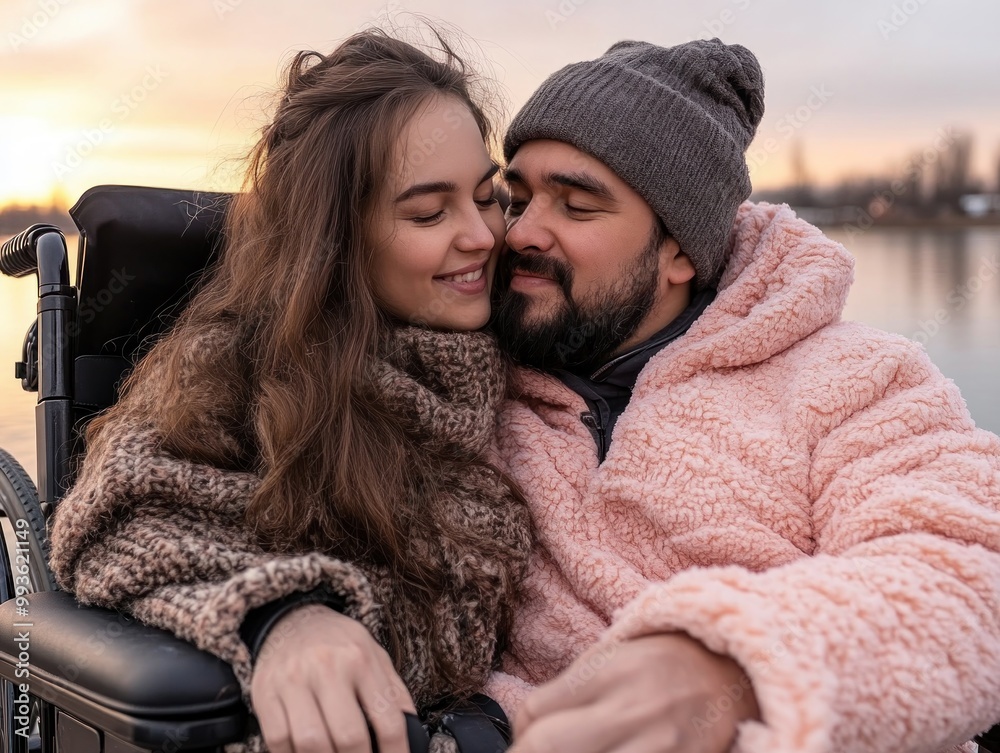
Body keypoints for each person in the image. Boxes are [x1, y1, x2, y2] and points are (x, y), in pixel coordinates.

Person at [484, 39, 1000, 753]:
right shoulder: (460, 384)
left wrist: (736, 659)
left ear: (681, 253)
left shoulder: (857, 379)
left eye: (576, 205)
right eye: (515, 197)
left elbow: (968, 575)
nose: (523, 231)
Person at [49, 30, 532, 753]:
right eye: (430, 213)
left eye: (488, 196)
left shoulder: (524, 347)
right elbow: (111, 520)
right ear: (336, 239)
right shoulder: (230, 369)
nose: (483, 236)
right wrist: (284, 614)